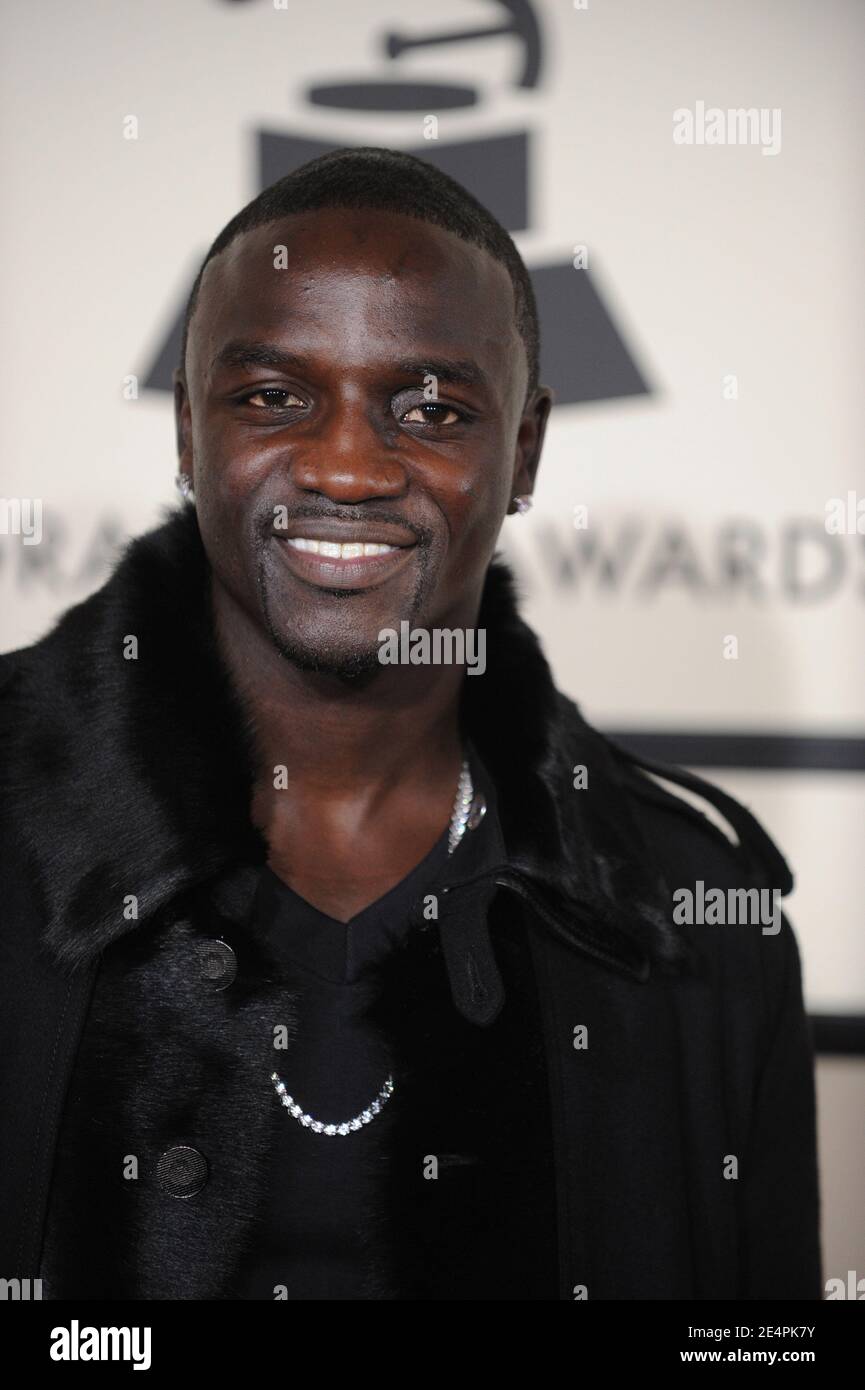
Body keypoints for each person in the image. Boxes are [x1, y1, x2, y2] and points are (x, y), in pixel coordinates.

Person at [0, 146, 821, 1300]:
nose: (346, 467)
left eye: (430, 409)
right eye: (273, 398)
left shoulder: (691, 917)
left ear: (522, 451)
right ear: (188, 432)